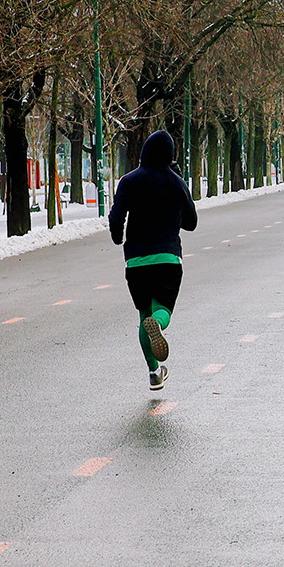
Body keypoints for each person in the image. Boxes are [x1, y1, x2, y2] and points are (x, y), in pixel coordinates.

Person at [108, 129, 197, 391]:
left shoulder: (129, 180)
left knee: (142, 314)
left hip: (135, 262)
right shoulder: (175, 181)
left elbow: (116, 217)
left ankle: (154, 371)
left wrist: (117, 237)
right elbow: (191, 223)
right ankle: (157, 325)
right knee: (162, 311)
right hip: (167, 257)